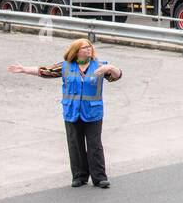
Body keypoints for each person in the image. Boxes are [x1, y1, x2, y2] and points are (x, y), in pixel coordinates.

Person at [9, 39, 122, 188]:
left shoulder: (100, 65)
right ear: (76, 51)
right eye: (84, 48)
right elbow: (45, 71)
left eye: (89, 47)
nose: (88, 50)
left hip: (93, 112)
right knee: (75, 144)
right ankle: (79, 176)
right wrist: (24, 69)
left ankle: (99, 177)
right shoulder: (66, 66)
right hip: (72, 111)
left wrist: (111, 67)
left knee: (95, 145)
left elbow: (116, 76)